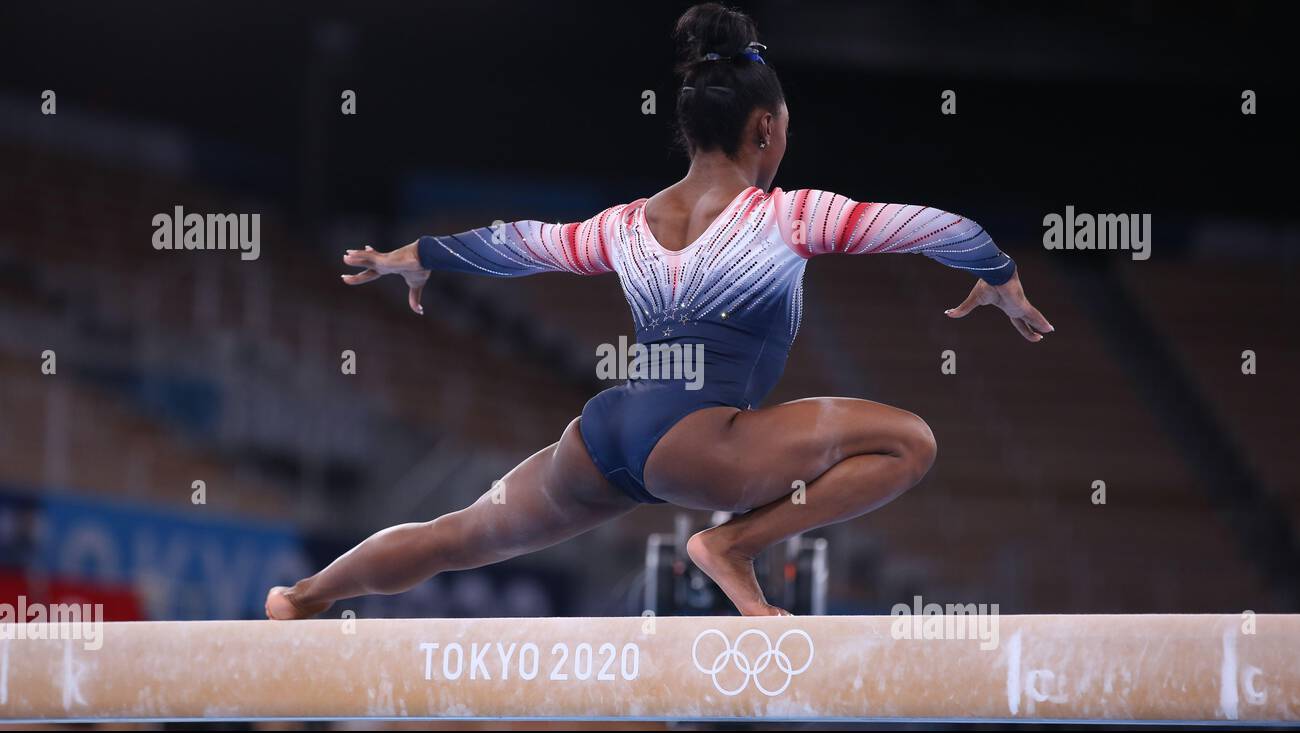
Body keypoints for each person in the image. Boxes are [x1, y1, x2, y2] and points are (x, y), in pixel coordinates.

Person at [266, 3, 1052, 619]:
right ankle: (732, 545)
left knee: (459, 535)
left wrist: (422, 254)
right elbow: (942, 229)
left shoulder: (625, 224)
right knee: (910, 442)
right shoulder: (789, 216)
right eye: (783, 128)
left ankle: (304, 595)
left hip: (607, 434)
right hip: (700, 442)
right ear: (766, 128)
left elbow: (519, 242)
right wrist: (1000, 277)